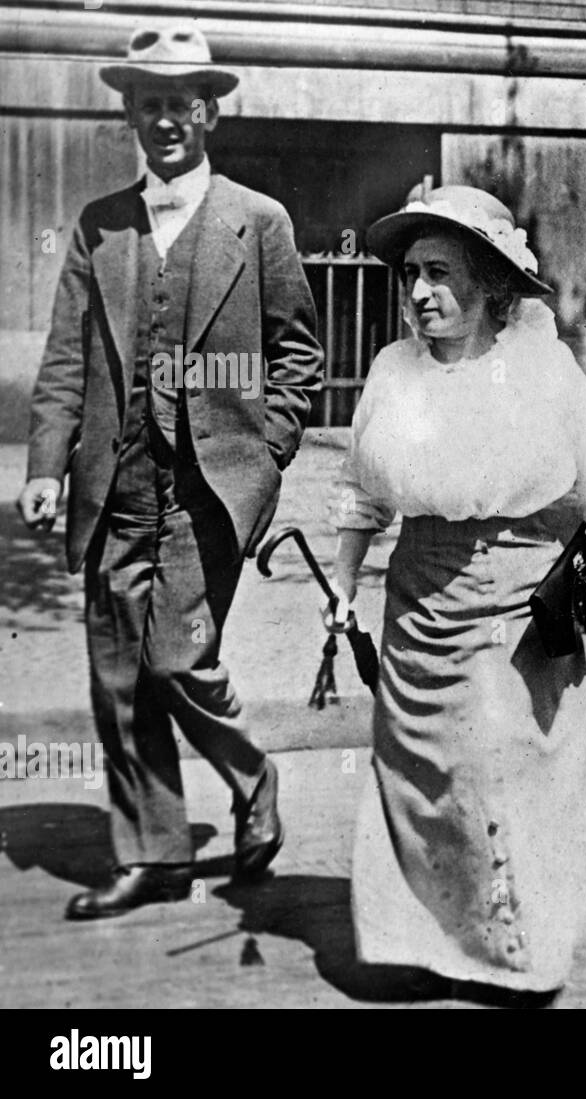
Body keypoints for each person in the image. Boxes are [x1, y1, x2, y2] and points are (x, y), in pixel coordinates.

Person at [16, 23, 323, 918]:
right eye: (147, 104)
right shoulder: (99, 227)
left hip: (211, 491)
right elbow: (66, 359)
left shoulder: (258, 223)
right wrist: (46, 466)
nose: (164, 120)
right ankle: (153, 853)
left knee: (178, 656)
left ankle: (253, 773)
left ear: (209, 112)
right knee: (118, 675)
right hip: (115, 485)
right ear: (129, 115)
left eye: (180, 102)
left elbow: (299, 355)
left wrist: (267, 451)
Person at [325, 184, 586, 997]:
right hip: (416, 601)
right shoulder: (393, 373)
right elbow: (361, 490)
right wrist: (341, 586)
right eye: (410, 275)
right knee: (421, 779)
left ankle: (519, 954)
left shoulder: (540, 366)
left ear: (492, 284)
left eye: (440, 273)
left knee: (504, 771)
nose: (420, 293)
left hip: (511, 599)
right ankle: (422, 944)